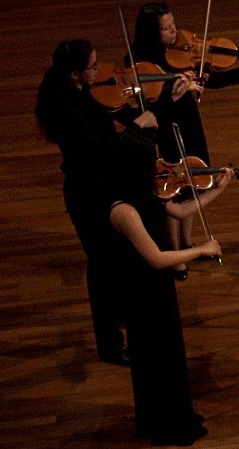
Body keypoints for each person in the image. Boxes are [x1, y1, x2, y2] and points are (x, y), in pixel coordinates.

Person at [35, 40, 157, 364]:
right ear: (76, 74)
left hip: (98, 185)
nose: (99, 71)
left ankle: (122, 323)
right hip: (88, 194)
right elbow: (104, 151)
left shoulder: (78, 92)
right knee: (103, 270)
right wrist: (136, 126)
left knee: (112, 265)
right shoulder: (68, 110)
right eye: (92, 66)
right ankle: (110, 345)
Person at [105, 131, 229, 446]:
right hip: (141, 291)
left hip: (158, 288)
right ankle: (163, 423)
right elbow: (156, 258)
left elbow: (182, 211)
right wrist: (201, 250)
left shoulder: (148, 191)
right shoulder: (123, 211)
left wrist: (219, 188)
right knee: (154, 357)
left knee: (171, 353)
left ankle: (176, 413)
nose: (158, 171)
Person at [133, 2, 233, 279]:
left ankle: (188, 242)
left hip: (188, 123)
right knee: (173, 187)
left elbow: (205, 76)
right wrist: (175, 93)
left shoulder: (178, 51)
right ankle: (176, 256)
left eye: (173, 23)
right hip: (165, 128)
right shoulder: (138, 60)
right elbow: (147, 109)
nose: (173, 31)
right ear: (151, 32)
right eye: (166, 28)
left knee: (194, 178)